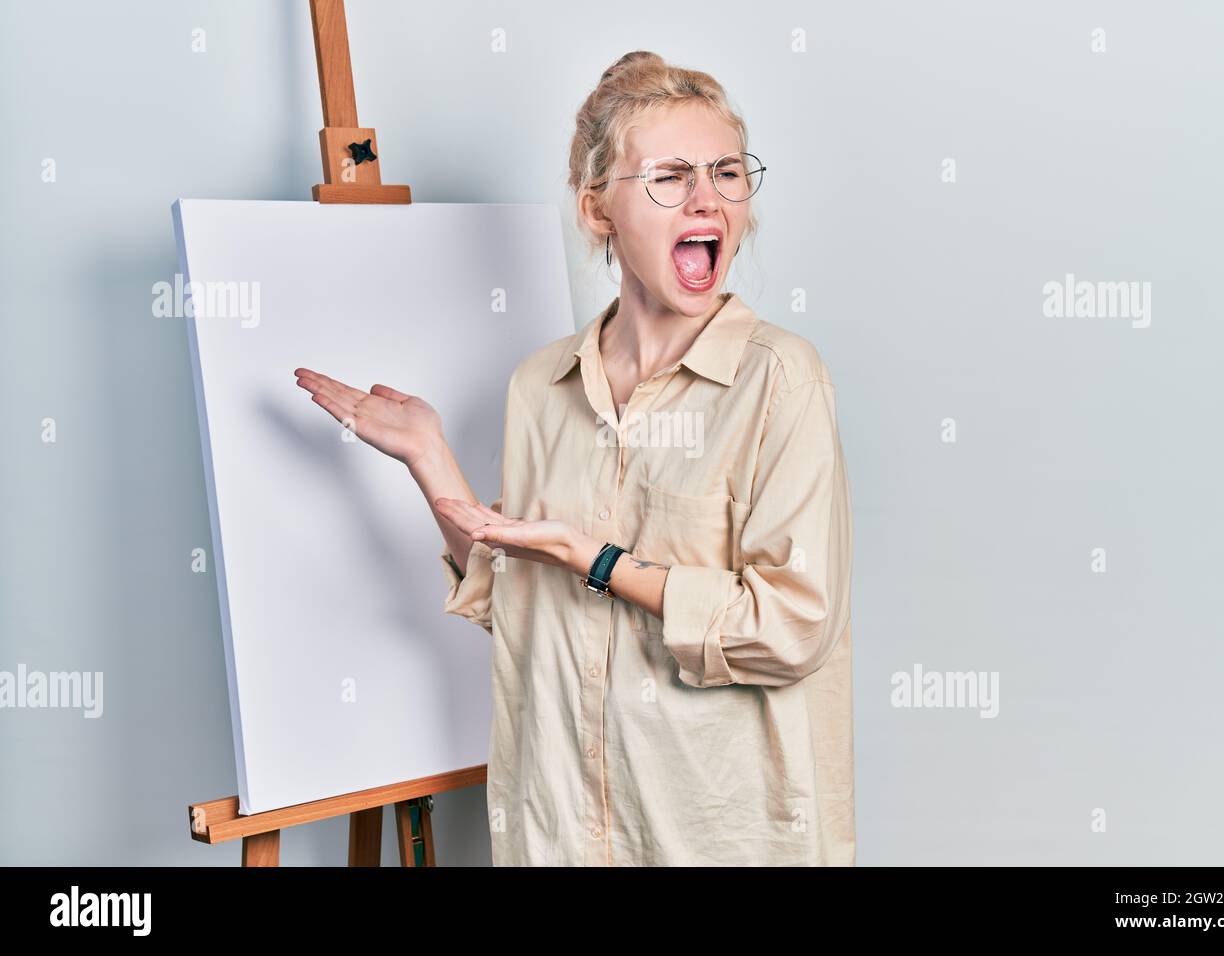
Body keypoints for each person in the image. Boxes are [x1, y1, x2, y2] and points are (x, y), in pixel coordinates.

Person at [295, 50, 855, 866]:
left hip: (716, 838)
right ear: (598, 209)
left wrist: (598, 561)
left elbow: (793, 627)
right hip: (556, 830)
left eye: (727, 172)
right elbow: (519, 603)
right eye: (669, 176)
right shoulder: (540, 387)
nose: (708, 199)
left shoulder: (781, 380)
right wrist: (429, 459)